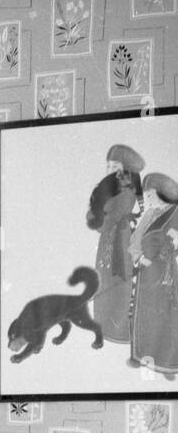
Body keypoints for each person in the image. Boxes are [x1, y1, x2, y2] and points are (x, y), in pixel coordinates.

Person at [86, 143, 144, 343]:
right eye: (108, 167)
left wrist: (98, 205)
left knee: (117, 281)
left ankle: (117, 331)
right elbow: (95, 219)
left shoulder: (126, 191)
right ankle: (106, 328)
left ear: (124, 169)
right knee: (104, 278)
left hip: (120, 239)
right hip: (109, 240)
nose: (110, 171)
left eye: (115, 167)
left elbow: (102, 222)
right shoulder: (110, 188)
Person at [128, 172, 178, 377]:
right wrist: (139, 258)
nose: (148, 200)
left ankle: (168, 363)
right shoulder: (150, 215)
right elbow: (135, 240)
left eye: (151, 196)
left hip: (166, 274)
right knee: (145, 313)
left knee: (167, 314)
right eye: (146, 197)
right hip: (146, 274)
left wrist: (166, 251)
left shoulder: (176, 214)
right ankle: (143, 355)